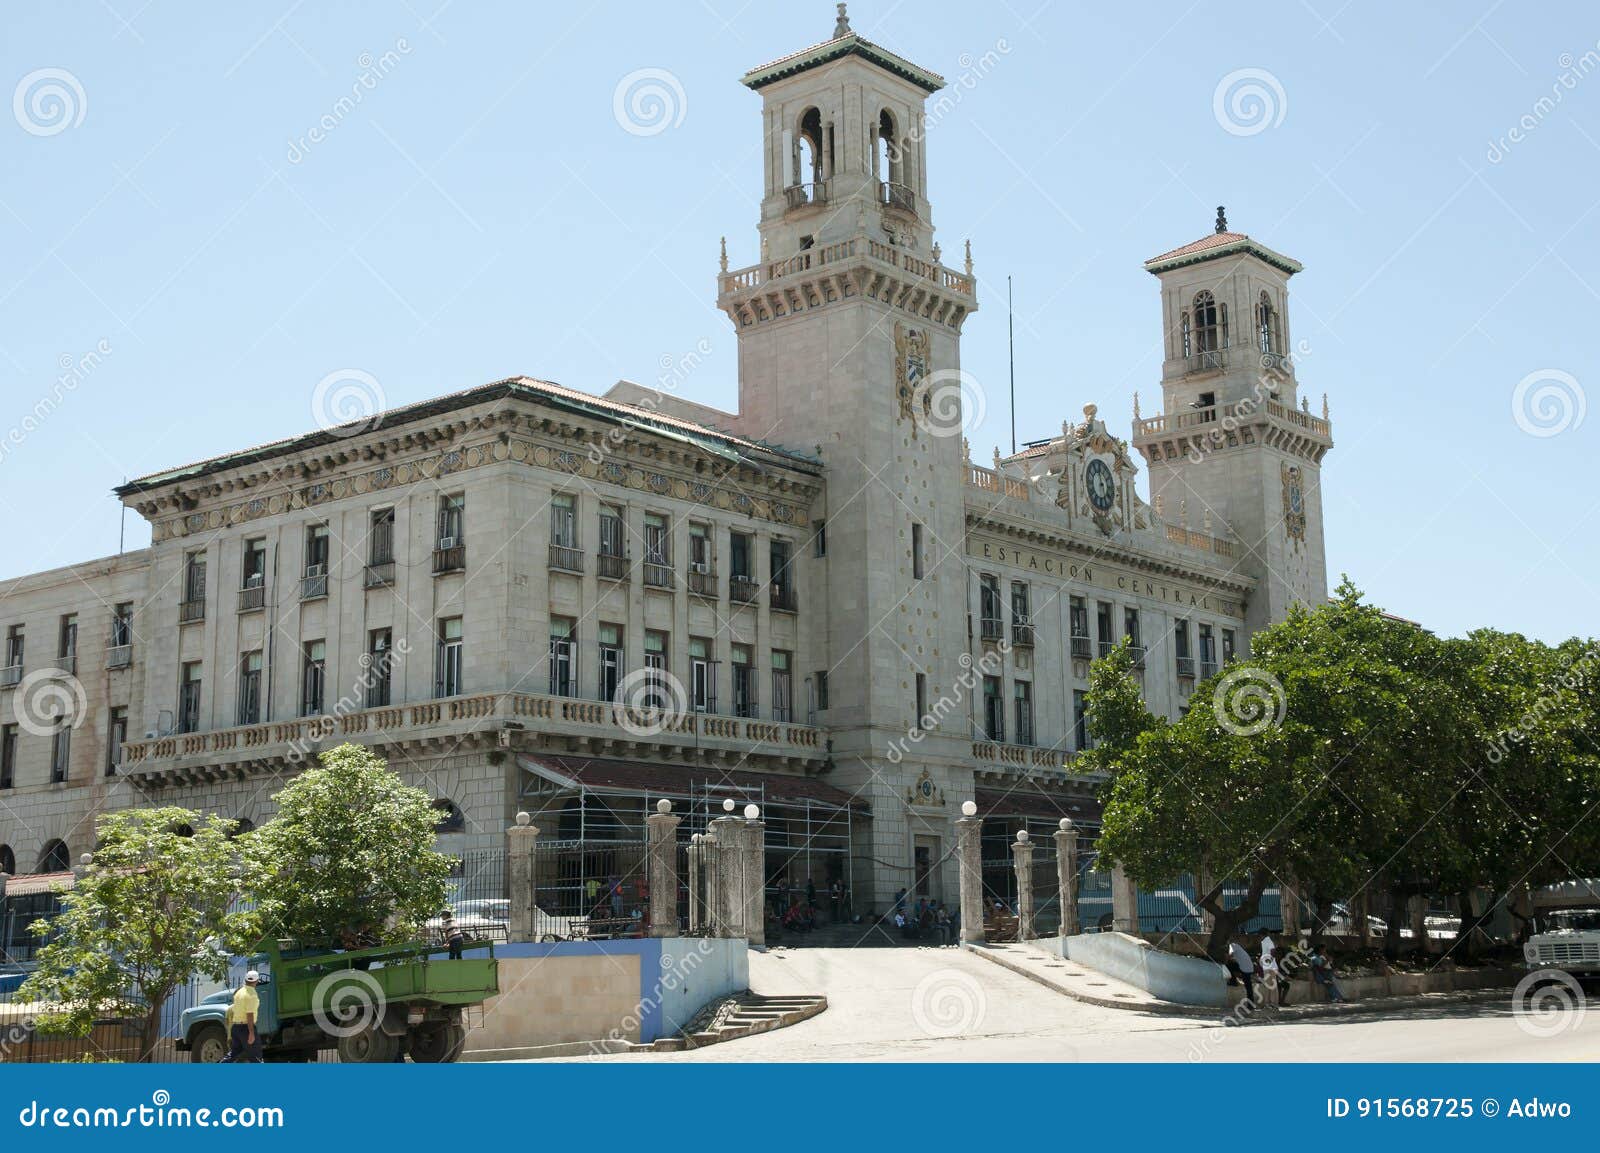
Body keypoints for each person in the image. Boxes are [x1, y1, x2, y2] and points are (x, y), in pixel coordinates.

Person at [221, 969, 263, 1063]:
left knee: (233, 1053)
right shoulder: (251, 994)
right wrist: (251, 1033)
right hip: (246, 1029)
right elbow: (249, 1014)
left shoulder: (239, 992)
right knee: (256, 1056)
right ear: (256, 981)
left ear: (246, 979)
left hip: (236, 1027)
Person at [1227, 937, 1256, 1005]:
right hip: (1248, 967)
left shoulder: (1232, 946)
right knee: (1248, 985)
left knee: (1228, 965)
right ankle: (1251, 1004)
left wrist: (1224, 959)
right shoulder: (1238, 947)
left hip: (1245, 968)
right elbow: (1235, 958)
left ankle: (1233, 981)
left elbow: (1230, 955)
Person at [1259, 938, 1286, 1006]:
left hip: (1270, 968)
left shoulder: (1268, 943)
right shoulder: (1265, 943)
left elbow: (1273, 952)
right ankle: (1270, 1003)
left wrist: (1269, 961)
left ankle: (1272, 1003)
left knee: (1272, 986)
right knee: (1271, 986)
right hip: (1270, 967)